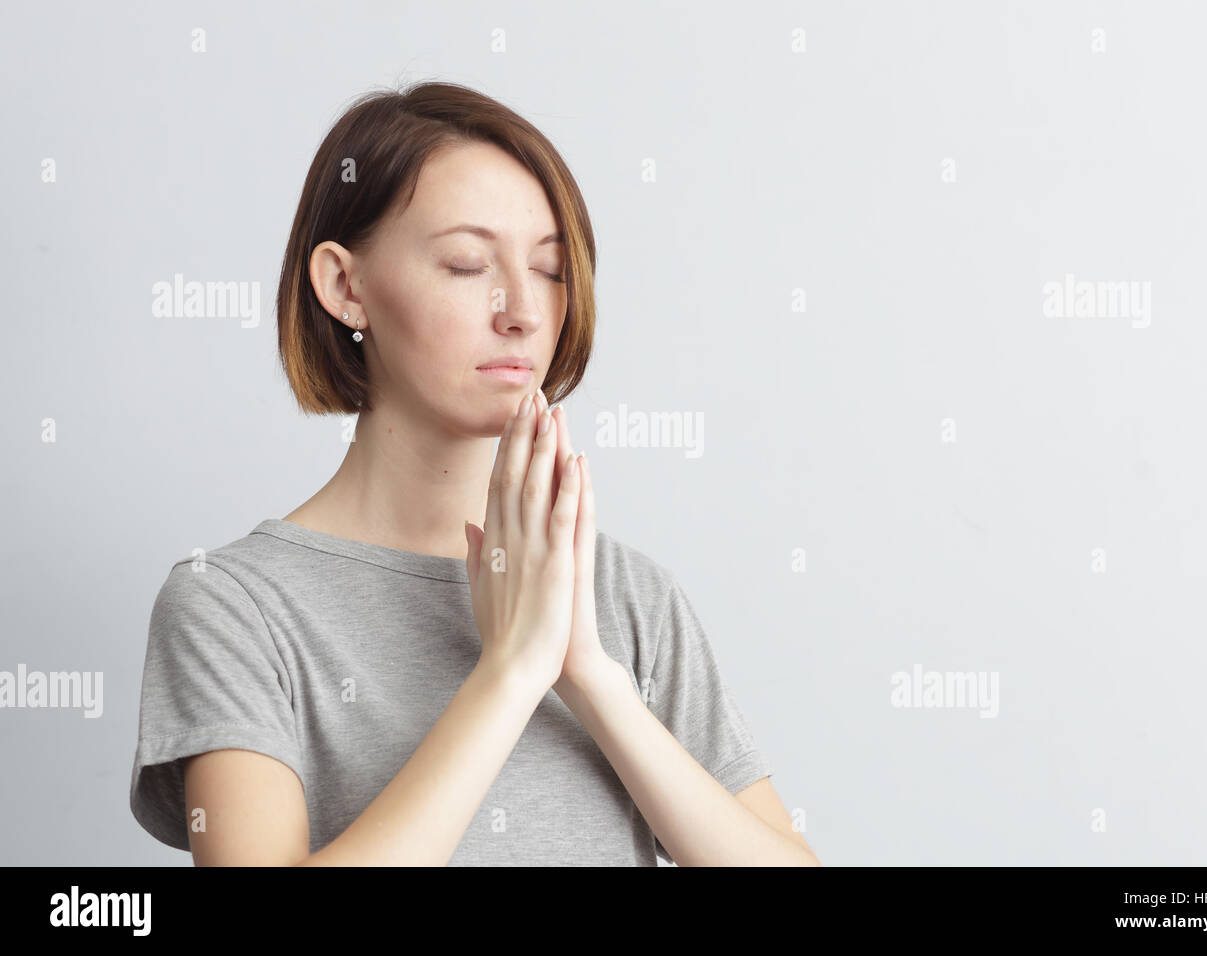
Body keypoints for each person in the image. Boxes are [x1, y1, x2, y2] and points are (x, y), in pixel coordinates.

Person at [128, 81, 818, 866]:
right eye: (465, 264)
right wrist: (512, 672)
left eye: (551, 269)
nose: (522, 309)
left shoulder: (629, 597)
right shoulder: (233, 606)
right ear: (345, 287)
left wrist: (590, 676)